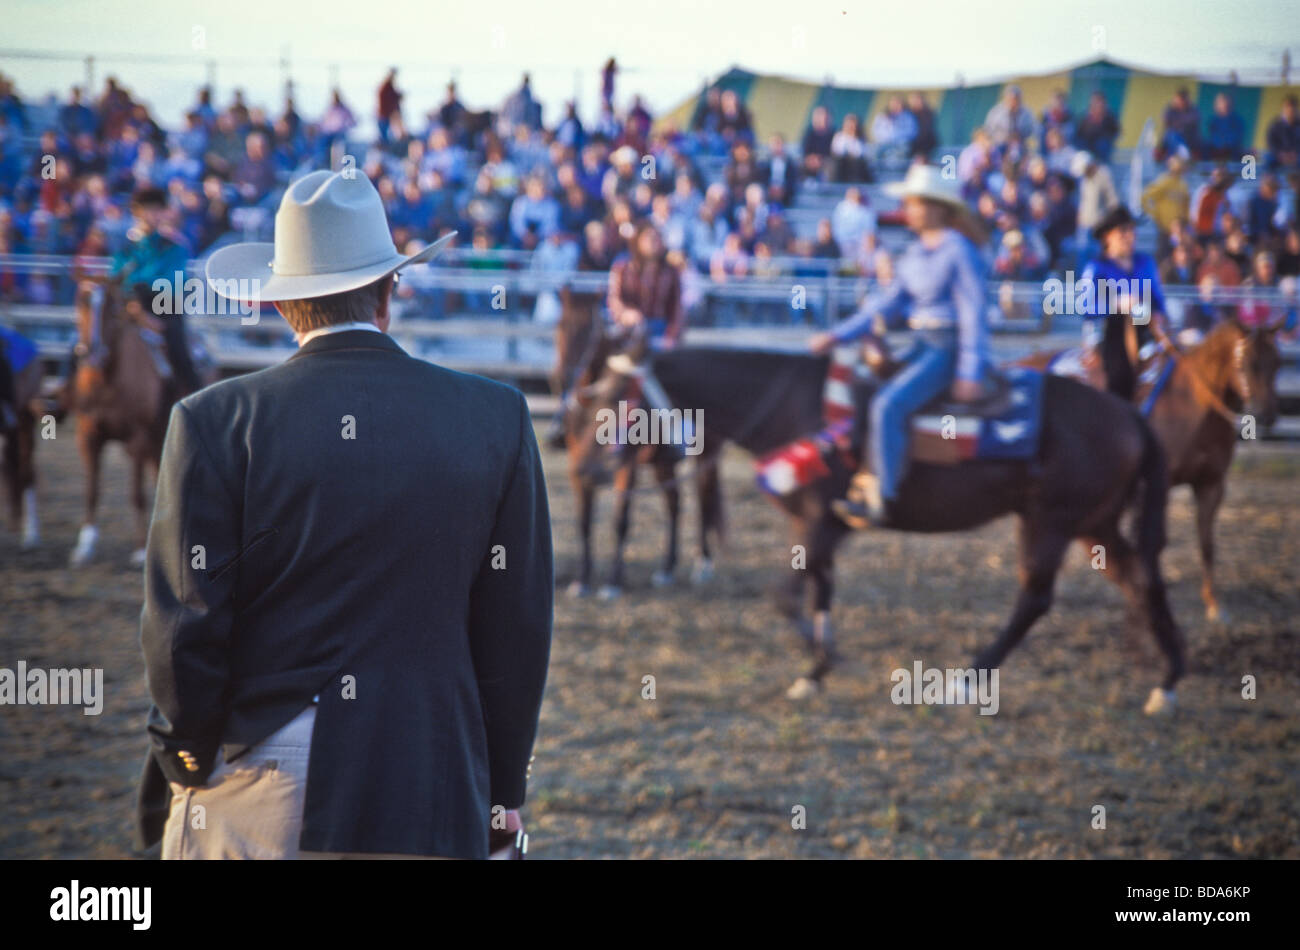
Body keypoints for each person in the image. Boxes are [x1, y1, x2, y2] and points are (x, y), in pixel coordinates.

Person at [136, 170, 552, 859]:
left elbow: (183, 629)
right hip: (433, 771)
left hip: (259, 770)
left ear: (281, 305)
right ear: (390, 293)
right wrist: (501, 795)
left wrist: (188, 760)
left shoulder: (213, 421)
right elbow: (516, 634)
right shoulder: (496, 418)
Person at [809, 164, 993, 528]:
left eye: (914, 202)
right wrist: (839, 334)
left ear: (936, 207)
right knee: (861, 386)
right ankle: (866, 471)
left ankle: (884, 497)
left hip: (946, 347)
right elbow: (886, 303)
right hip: (920, 343)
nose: (906, 209)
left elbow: (973, 314)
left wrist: (970, 370)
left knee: (888, 405)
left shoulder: (959, 250)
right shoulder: (915, 254)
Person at [110, 186, 201, 394]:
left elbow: (174, 281)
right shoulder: (124, 247)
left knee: (178, 346)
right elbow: (114, 277)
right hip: (127, 306)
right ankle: (66, 395)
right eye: (148, 209)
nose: (154, 215)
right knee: (87, 341)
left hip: (162, 306)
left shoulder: (174, 247)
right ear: (136, 212)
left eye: (158, 210)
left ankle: (191, 392)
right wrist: (131, 299)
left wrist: (137, 285)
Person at [1079, 205, 1170, 401]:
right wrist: (1117, 304)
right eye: (1123, 231)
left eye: (1131, 230)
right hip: (1109, 333)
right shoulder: (1096, 267)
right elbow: (1086, 307)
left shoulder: (1145, 263)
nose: (1130, 236)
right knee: (1119, 374)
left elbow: (1158, 300)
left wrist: (1158, 315)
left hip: (1146, 329)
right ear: (1107, 237)